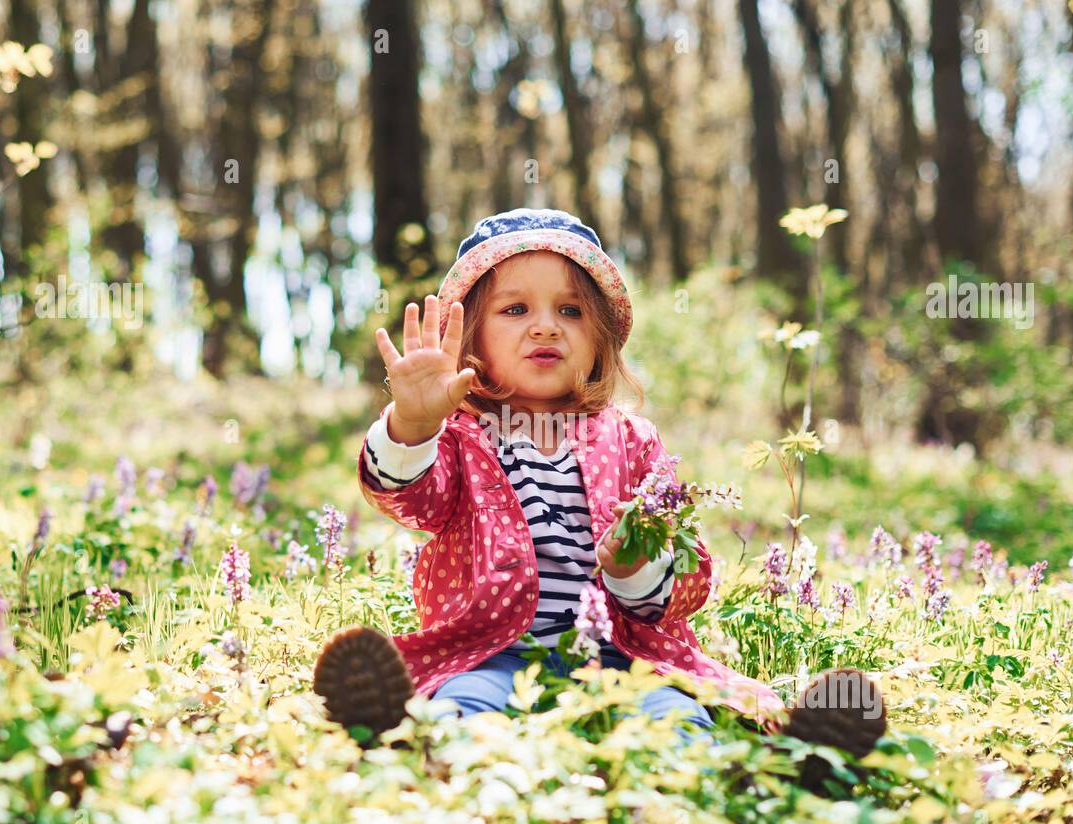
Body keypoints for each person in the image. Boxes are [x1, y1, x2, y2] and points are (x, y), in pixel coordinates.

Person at [314, 208, 884, 760]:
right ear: (469, 341)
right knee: (466, 710)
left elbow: (688, 576)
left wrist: (638, 570)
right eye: (515, 309)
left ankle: (781, 761)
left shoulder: (633, 441)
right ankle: (410, 736)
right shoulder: (460, 437)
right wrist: (412, 424)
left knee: (674, 715)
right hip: (491, 655)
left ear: (600, 339)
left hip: (625, 654)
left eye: (571, 310)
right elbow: (411, 500)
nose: (545, 325)